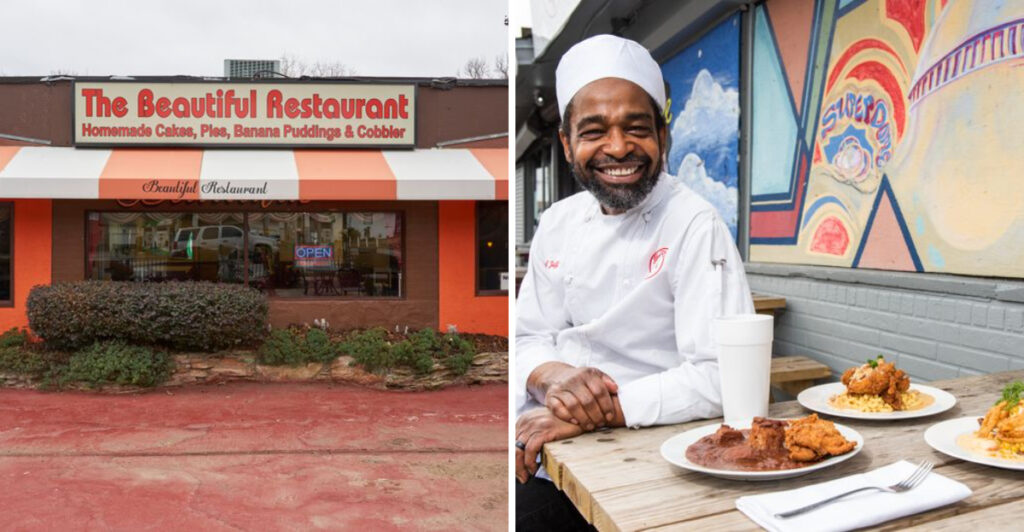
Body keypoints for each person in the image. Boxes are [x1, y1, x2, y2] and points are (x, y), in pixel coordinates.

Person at [515, 34, 754, 530]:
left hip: (656, 450)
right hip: (546, 440)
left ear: (663, 137)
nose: (618, 147)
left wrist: (596, 412)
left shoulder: (694, 223)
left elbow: (720, 376)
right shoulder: (557, 223)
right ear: (566, 144)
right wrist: (554, 376)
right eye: (595, 131)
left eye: (636, 128)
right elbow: (528, 338)